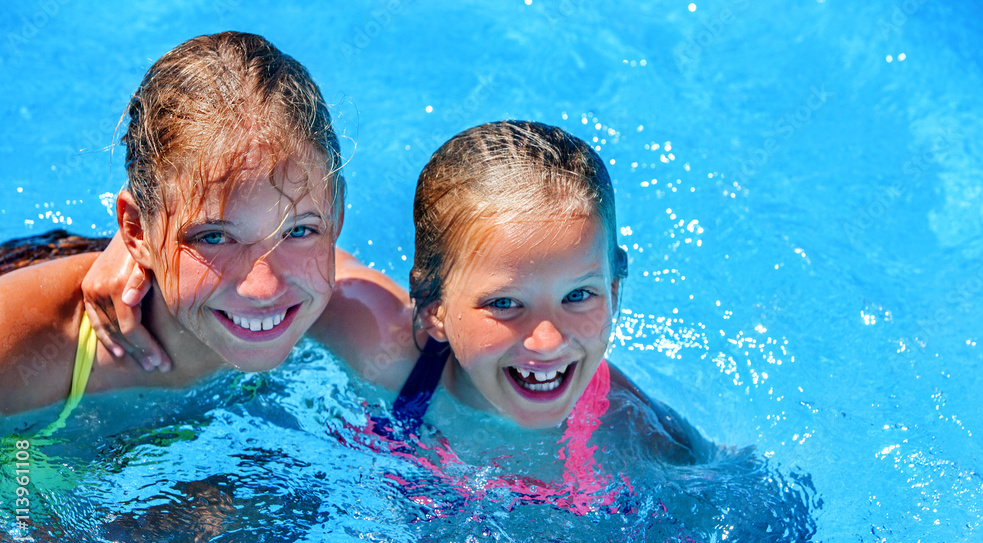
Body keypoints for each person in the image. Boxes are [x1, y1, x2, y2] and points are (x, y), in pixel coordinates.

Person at [84, 120, 708, 466]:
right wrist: (132, 249)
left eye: (580, 295)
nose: (547, 340)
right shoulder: (387, 346)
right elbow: (271, 265)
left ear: (617, 292)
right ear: (433, 311)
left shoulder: (637, 430)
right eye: (504, 304)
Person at [0, 31, 345, 419]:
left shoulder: (349, 315)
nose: (264, 290)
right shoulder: (24, 350)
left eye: (296, 231)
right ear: (134, 231)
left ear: (336, 221)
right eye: (213, 237)